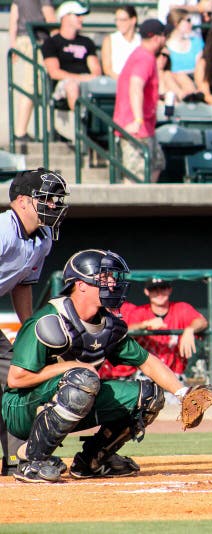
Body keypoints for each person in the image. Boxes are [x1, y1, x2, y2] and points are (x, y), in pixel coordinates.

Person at [1, 249, 186, 483]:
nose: (112, 284)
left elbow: (147, 362)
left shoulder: (109, 324)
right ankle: (33, 460)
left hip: (72, 394)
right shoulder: (48, 321)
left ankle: (94, 460)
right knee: (81, 379)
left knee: (150, 396)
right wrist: (69, 367)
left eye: (113, 277)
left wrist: (184, 393)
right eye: (104, 278)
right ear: (81, 285)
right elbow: (16, 379)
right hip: (21, 407)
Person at [0, 169, 69, 475]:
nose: (54, 205)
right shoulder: (3, 229)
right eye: (47, 199)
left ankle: (18, 457)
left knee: (17, 374)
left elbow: (22, 285)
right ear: (23, 202)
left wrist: (30, 331)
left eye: (56, 200)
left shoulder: (42, 239)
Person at [124, 277, 208, 399]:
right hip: (146, 377)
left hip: (174, 377)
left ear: (169, 290)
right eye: (154, 289)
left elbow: (202, 322)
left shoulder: (181, 308)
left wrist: (190, 330)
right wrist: (144, 325)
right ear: (147, 292)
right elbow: (126, 331)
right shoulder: (140, 312)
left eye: (163, 288)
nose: (159, 293)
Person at [112, 19, 168, 184]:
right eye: (164, 36)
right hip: (135, 127)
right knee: (135, 176)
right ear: (157, 38)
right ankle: (133, 209)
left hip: (146, 128)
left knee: (157, 162)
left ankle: (148, 208)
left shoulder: (141, 54)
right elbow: (135, 85)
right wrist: (137, 120)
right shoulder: (145, 57)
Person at [9, 0, 56, 143]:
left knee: (36, 86)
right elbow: (51, 20)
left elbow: (13, 19)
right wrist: (59, 42)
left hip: (23, 40)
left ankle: (47, 130)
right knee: (33, 86)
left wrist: (13, 45)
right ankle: (21, 131)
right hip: (35, 41)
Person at [41, 1, 101, 110]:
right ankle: (81, 121)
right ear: (65, 17)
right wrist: (80, 78)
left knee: (104, 84)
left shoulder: (87, 42)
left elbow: (96, 70)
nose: (81, 19)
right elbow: (54, 72)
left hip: (86, 82)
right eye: (77, 15)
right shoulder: (51, 42)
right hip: (65, 84)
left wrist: (88, 78)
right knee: (72, 85)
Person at [101, 5, 141, 80]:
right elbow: (107, 69)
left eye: (122, 20)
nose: (118, 24)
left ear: (133, 20)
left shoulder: (140, 40)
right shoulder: (110, 40)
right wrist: (122, 80)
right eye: (117, 20)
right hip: (116, 82)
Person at [164, 8, 204, 76]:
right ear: (176, 23)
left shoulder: (197, 42)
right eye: (188, 20)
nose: (191, 23)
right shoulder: (165, 46)